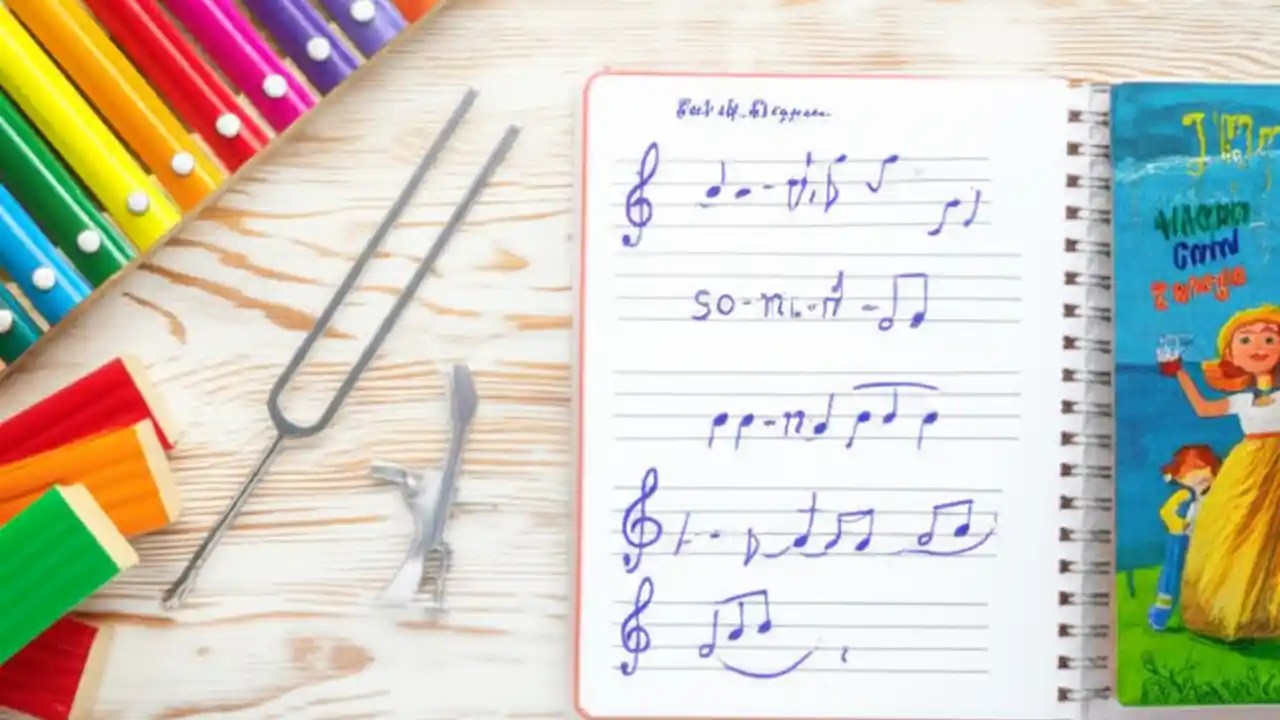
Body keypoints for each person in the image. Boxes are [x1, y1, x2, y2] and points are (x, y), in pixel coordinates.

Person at [1160, 304, 1280, 641]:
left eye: (1270, 338)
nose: (1258, 347)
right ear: (1231, 355)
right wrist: (1180, 373)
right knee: (1234, 533)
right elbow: (1203, 408)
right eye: (1246, 340)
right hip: (1247, 471)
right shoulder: (1243, 400)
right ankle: (1238, 611)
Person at [1148, 445, 1218, 631]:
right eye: (1190, 472)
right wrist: (1177, 525)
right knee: (1174, 568)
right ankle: (1162, 610)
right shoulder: (1186, 495)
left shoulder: (1220, 493)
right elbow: (1166, 512)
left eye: (1203, 467)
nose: (1199, 475)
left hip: (1210, 543)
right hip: (1186, 539)